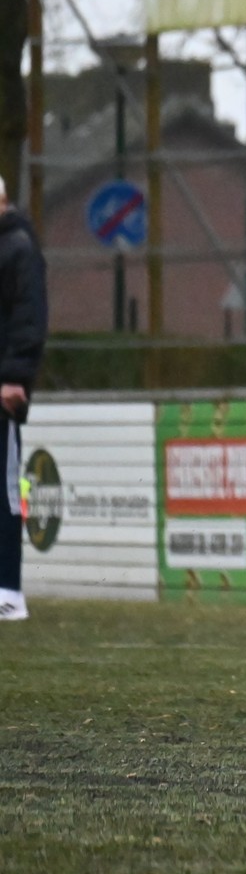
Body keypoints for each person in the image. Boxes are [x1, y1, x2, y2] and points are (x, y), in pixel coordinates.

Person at [0, 177, 47, 623]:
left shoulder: (17, 246)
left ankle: (8, 590)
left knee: (6, 490)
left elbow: (29, 316)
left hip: (3, 392)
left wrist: (15, 377)